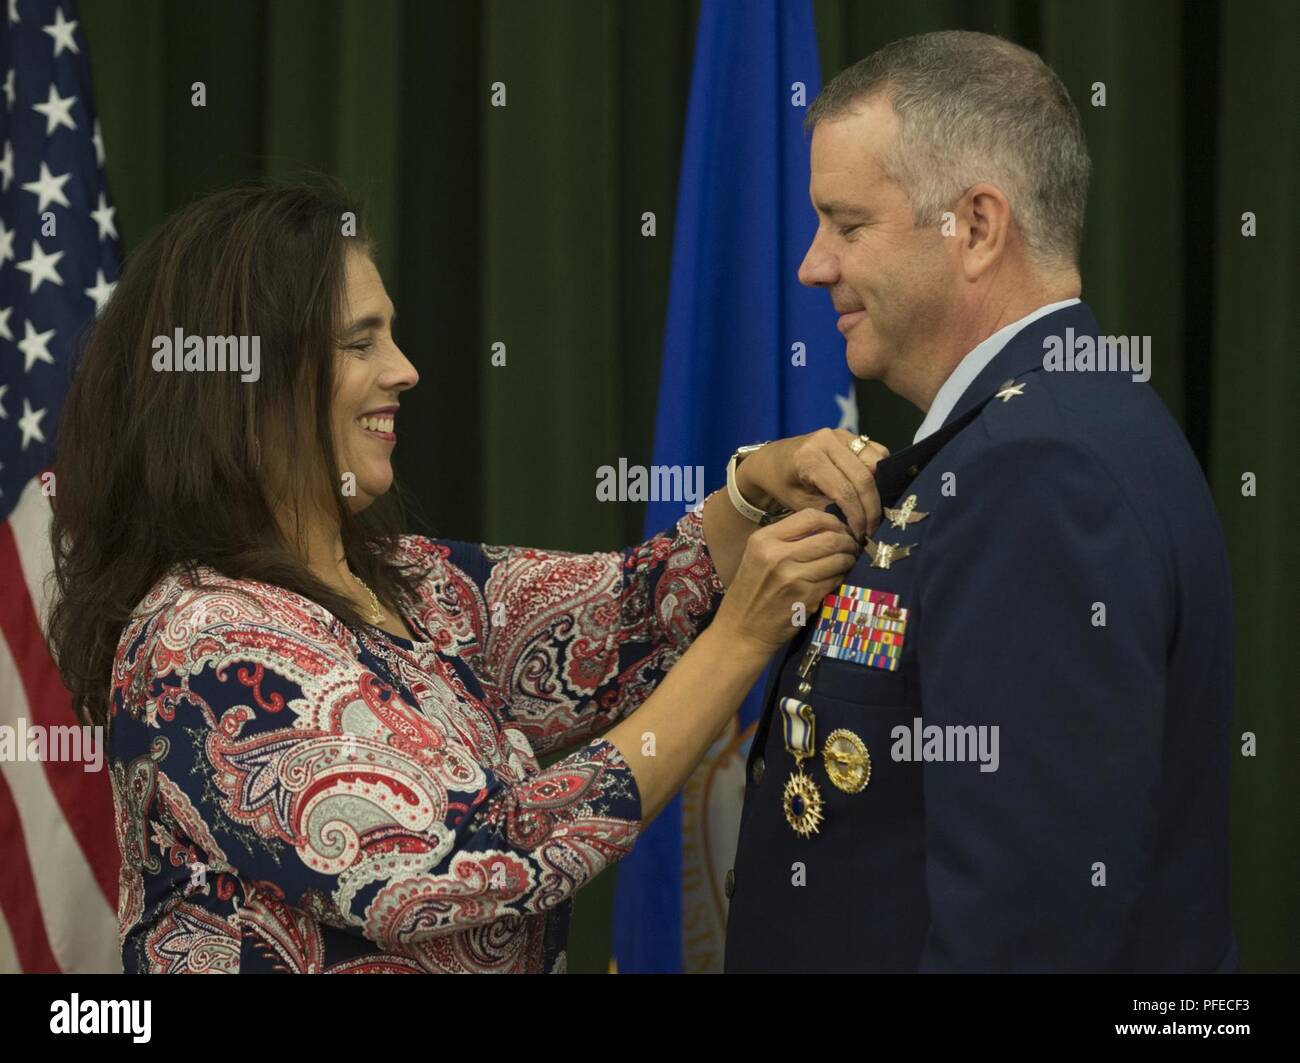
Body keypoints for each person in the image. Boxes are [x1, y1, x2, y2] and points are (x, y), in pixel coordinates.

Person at [45, 181, 882, 973]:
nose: (405, 369)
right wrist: (741, 639)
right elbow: (476, 859)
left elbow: (624, 616)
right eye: (360, 341)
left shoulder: (405, 580)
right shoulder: (206, 640)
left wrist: (754, 483)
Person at [724, 30, 1236, 972]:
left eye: (847, 224)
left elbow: (1025, 932)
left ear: (978, 227)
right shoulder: (1038, 429)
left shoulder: (1041, 469)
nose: (812, 264)